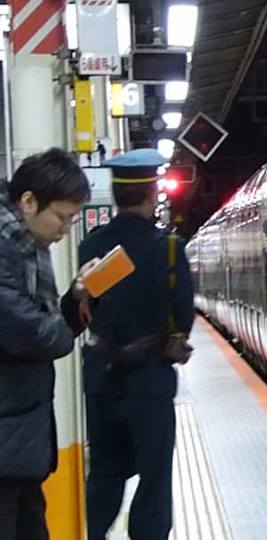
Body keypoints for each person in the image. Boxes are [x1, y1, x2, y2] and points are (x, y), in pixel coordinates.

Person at [75, 149, 194, 540]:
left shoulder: (91, 245)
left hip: (101, 377)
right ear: (151, 193)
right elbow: (183, 315)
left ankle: (93, 534)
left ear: (115, 194)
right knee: (154, 479)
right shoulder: (168, 248)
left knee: (104, 474)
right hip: (150, 380)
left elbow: (85, 307)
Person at [0, 149, 92, 540]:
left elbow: (47, 329)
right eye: (62, 217)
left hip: (19, 442)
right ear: (28, 202)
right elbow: (37, 334)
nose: (65, 229)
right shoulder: (8, 251)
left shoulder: (27, 249)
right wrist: (60, 325)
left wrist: (77, 298)